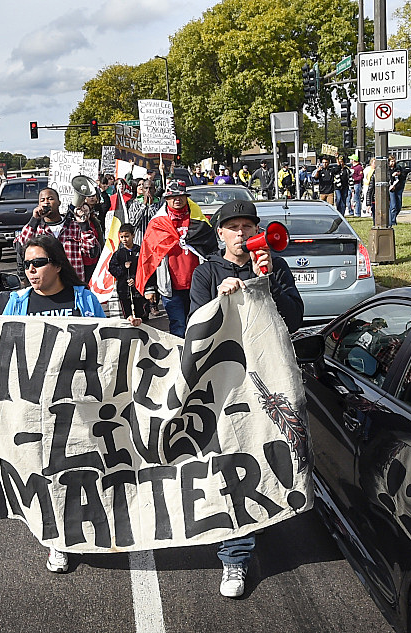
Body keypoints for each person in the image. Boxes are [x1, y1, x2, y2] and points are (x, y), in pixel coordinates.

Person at [0, 234, 138, 573]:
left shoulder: (83, 298)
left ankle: (96, 528)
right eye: (26, 265)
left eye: (38, 263)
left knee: (88, 468)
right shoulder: (19, 301)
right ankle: (57, 542)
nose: (30, 270)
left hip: (81, 402)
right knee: (46, 473)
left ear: (57, 263)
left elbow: (105, 339)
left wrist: (128, 330)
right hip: (36, 407)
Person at [188, 199, 303, 599]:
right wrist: (218, 299)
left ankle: (267, 510)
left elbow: (295, 317)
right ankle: (235, 555)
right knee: (233, 455)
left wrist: (266, 281)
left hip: (269, 374)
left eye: (246, 225)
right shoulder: (206, 273)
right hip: (226, 381)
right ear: (219, 233)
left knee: (271, 450)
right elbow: (193, 329)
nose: (241, 233)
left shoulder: (273, 266)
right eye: (232, 226)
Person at [136, 180, 217, 337]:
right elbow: (150, 258)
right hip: (170, 288)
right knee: (178, 327)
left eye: (181, 195)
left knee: (200, 325)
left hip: (198, 285)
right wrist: (150, 288)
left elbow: (212, 251)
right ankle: (180, 360)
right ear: (166, 199)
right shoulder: (157, 225)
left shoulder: (199, 222)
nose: (177, 199)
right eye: (173, 197)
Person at [14, 188, 98, 284]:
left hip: (73, 284)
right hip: (46, 285)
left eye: (50, 199)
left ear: (59, 202)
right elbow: (21, 247)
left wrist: (84, 225)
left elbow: (91, 251)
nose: (46, 203)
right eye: (42, 200)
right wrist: (34, 220)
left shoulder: (74, 226)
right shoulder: (35, 228)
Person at [108, 223, 150, 321]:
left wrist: (135, 279)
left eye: (127, 236)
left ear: (133, 235)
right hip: (124, 288)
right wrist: (123, 268)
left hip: (138, 288)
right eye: (122, 237)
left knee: (141, 312)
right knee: (128, 314)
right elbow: (112, 268)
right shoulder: (118, 253)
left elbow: (145, 268)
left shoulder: (140, 251)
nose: (124, 239)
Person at [389, 155, 407, 225]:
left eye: (394, 161)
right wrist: (391, 175)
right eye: (391, 161)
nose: (393, 163)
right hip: (391, 189)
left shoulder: (398, 167)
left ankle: (393, 217)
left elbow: (403, 175)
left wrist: (399, 174)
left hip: (398, 188)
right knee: (393, 206)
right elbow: (387, 177)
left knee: (398, 206)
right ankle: (392, 222)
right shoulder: (386, 169)